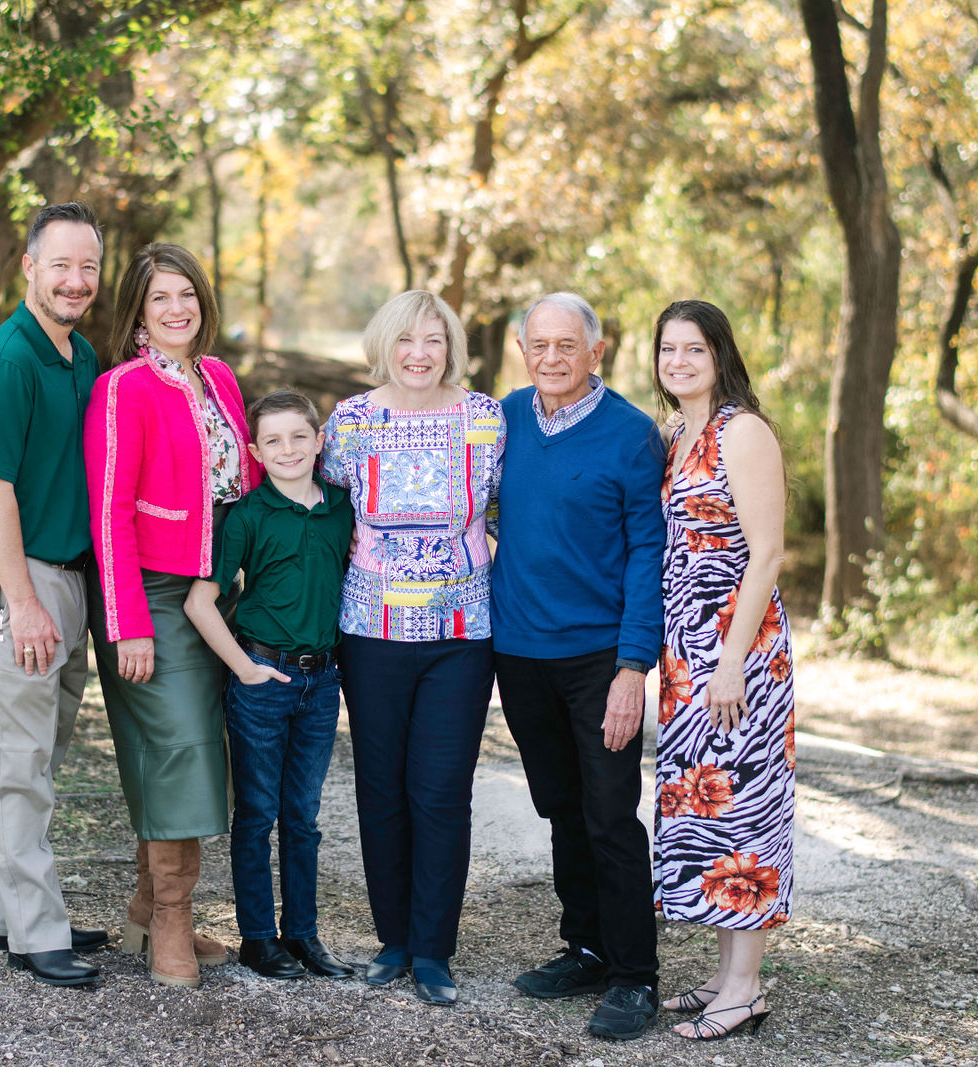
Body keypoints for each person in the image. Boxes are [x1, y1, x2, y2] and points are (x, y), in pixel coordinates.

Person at [83, 243, 260, 989]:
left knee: (207, 745)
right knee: (181, 746)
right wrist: (128, 622)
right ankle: (173, 922)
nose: (177, 308)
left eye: (186, 294)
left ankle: (145, 906)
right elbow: (109, 510)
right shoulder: (121, 388)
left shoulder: (218, 377)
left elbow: (244, 482)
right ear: (139, 311)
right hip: (150, 591)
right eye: (161, 298)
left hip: (219, 595)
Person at [320, 290, 504, 1007]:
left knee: (440, 792)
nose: (419, 353)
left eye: (433, 339)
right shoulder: (352, 421)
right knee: (381, 788)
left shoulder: (485, 418)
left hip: (462, 634)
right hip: (371, 631)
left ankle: (433, 948)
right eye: (406, 340)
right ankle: (392, 937)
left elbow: (510, 509)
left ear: (450, 346)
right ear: (384, 346)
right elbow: (319, 497)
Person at [490, 292, 667, 1040]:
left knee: (608, 814)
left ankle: (635, 974)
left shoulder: (631, 435)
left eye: (568, 345)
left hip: (599, 659)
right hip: (519, 652)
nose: (553, 357)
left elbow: (646, 554)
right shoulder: (503, 420)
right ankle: (586, 944)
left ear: (597, 352)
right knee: (560, 805)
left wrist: (634, 665)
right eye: (540, 345)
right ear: (524, 350)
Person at [0, 201, 109, 987]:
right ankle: (37, 932)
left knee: (32, 754)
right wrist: (24, 603)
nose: (76, 279)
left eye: (88, 265)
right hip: (14, 573)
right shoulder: (7, 360)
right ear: (29, 267)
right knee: (18, 757)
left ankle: (5, 912)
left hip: (64, 575)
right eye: (61, 264)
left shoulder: (77, 355)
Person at [651, 299, 794, 1041]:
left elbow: (766, 552)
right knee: (709, 813)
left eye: (693, 350)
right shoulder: (680, 434)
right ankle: (723, 973)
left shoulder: (743, 431)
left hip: (737, 651)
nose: (679, 362)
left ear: (719, 355)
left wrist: (731, 660)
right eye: (668, 350)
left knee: (744, 807)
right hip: (687, 654)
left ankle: (745, 989)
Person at [182, 389, 357, 982]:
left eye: (299, 437)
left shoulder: (341, 507)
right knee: (257, 815)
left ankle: (302, 934)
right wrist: (243, 668)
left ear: (319, 441)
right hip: (262, 678)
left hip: (321, 678)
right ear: (255, 451)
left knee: (302, 817)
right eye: (274, 441)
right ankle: (258, 937)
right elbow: (201, 602)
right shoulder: (248, 515)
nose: (288, 450)